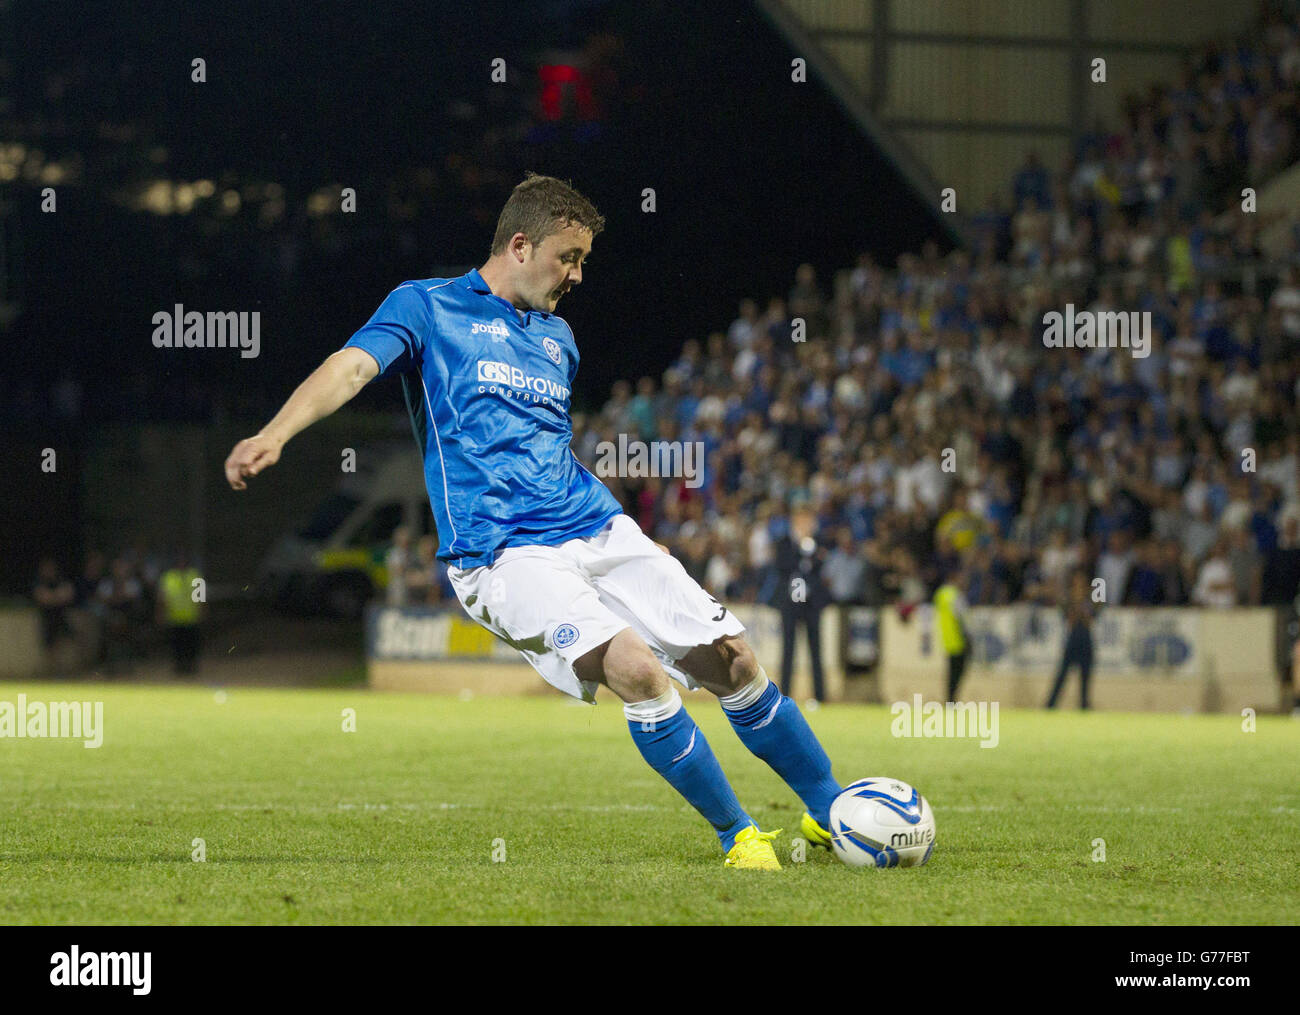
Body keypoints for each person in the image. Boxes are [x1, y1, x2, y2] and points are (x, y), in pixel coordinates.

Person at [224, 172, 843, 870]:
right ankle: (740, 836)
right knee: (638, 670)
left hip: (592, 524)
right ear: (520, 244)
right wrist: (278, 431)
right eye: (568, 258)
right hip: (502, 551)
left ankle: (834, 812)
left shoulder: (558, 339)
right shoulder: (426, 306)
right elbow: (351, 368)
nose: (577, 275)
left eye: (583, 261)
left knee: (735, 659)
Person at [771, 505, 831, 702]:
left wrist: (810, 552)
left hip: (811, 603)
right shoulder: (785, 543)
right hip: (790, 603)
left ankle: (820, 696)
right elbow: (783, 566)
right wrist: (802, 552)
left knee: (816, 650)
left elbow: (821, 566)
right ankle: (785, 695)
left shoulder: (819, 542)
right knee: (788, 651)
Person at [1047, 571, 1094, 710]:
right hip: (1072, 642)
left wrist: (1081, 604)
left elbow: (1090, 619)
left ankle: (1084, 706)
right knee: (1061, 677)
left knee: (1085, 680)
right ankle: (1050, 706)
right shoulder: (1068, 600)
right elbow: (1069, 619)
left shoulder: (1091, 600)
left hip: (1086, 642)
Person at [158, 550, 204, 676]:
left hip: (191, 617)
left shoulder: (195, 576)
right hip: (174, 618)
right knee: (176, 645)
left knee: (192, 645)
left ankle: (191, 667)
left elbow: (200, 598)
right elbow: (163, 598)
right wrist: (161, 613)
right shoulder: (168, 577)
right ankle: (179, 668)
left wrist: (202, 612)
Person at [32, 558, 75, 675]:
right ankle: (52, 672)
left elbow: (68, 594)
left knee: (67, 643)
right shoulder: (39, 582)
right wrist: (57, 597)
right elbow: (42, 597)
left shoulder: (61, 580)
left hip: (62, 618)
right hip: (48, 620)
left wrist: (52, 597)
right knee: (49, 647)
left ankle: (67, 671)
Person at [933, 568, 968, 701]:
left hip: (947, 639)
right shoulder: (956, 595)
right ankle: (952, 701)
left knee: (950, 673)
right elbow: (962, 616)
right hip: (959, 638)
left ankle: (949, 700)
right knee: (958, 673)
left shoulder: (940, 594)